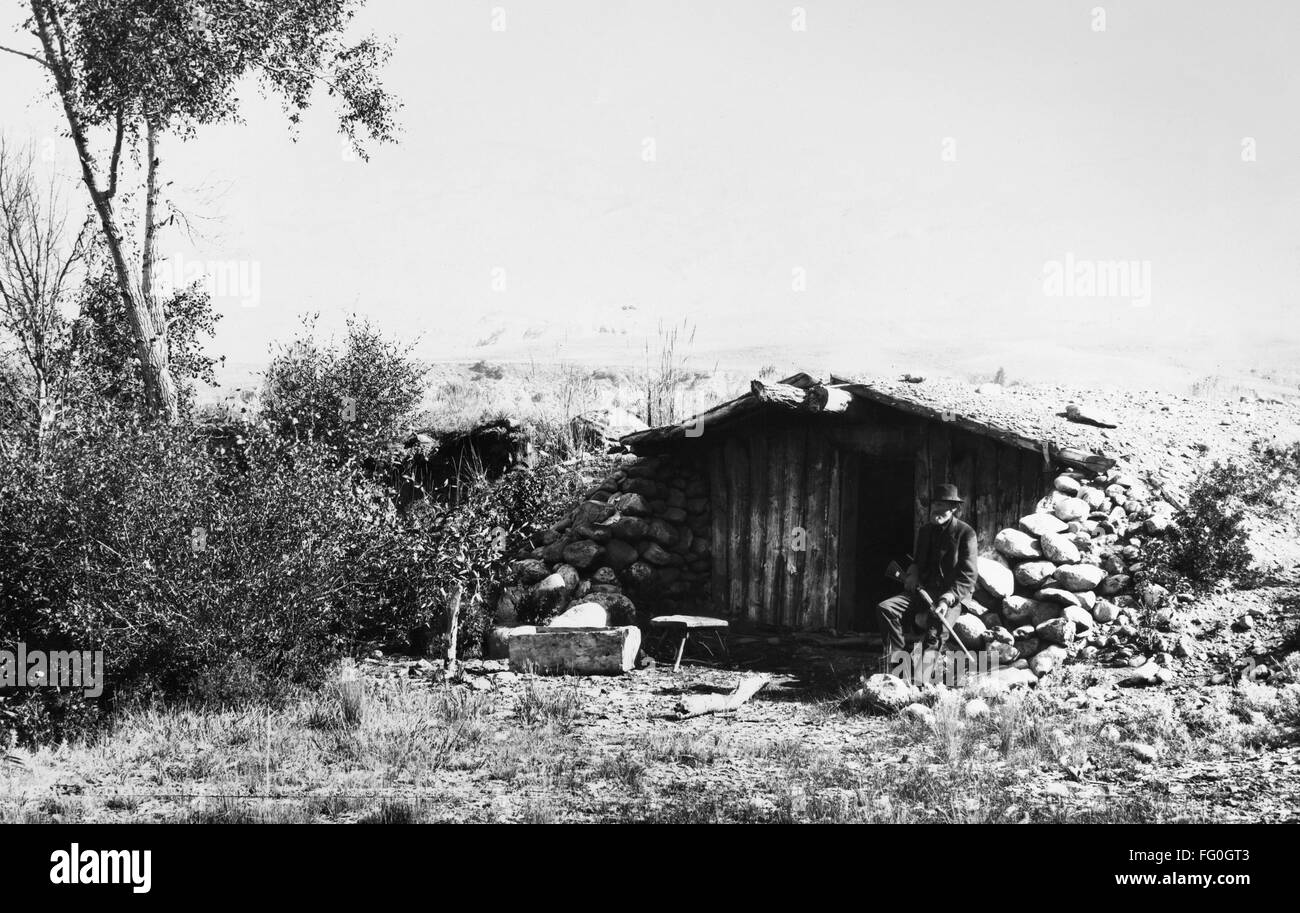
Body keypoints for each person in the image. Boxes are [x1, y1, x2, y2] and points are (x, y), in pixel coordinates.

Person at [874, 483, 979, 675]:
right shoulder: (925, 532)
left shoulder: (966, 533)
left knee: (935, 630)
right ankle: (897, 667)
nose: (937, 509)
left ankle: (922, 681)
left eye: (943, 505)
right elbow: (918, 563)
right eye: (936, 504)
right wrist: (912, 575)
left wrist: (947, 599)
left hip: (953, 595)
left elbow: (968, 575)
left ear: (954, 508)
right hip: (925, 591)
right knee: (886, 608)